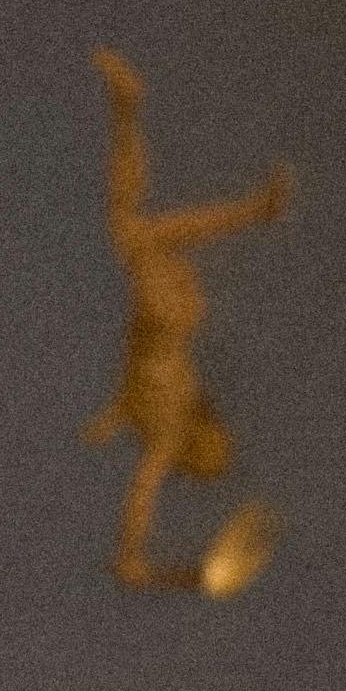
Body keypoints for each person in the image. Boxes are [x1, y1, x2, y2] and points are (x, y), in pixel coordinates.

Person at [85, 50, 287, 594]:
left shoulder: (164, 438)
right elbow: (136, 406)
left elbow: (143, 487)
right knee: (137, 229)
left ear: (193, 460)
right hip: (169, 323)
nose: (212, 450)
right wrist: (131, 552)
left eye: (209, 460)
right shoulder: (178, 412)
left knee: (136, 228)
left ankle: (128, 107)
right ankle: (252, 207)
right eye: (218, 446)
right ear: (208, 427)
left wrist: (133, 553)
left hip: (167, 320)